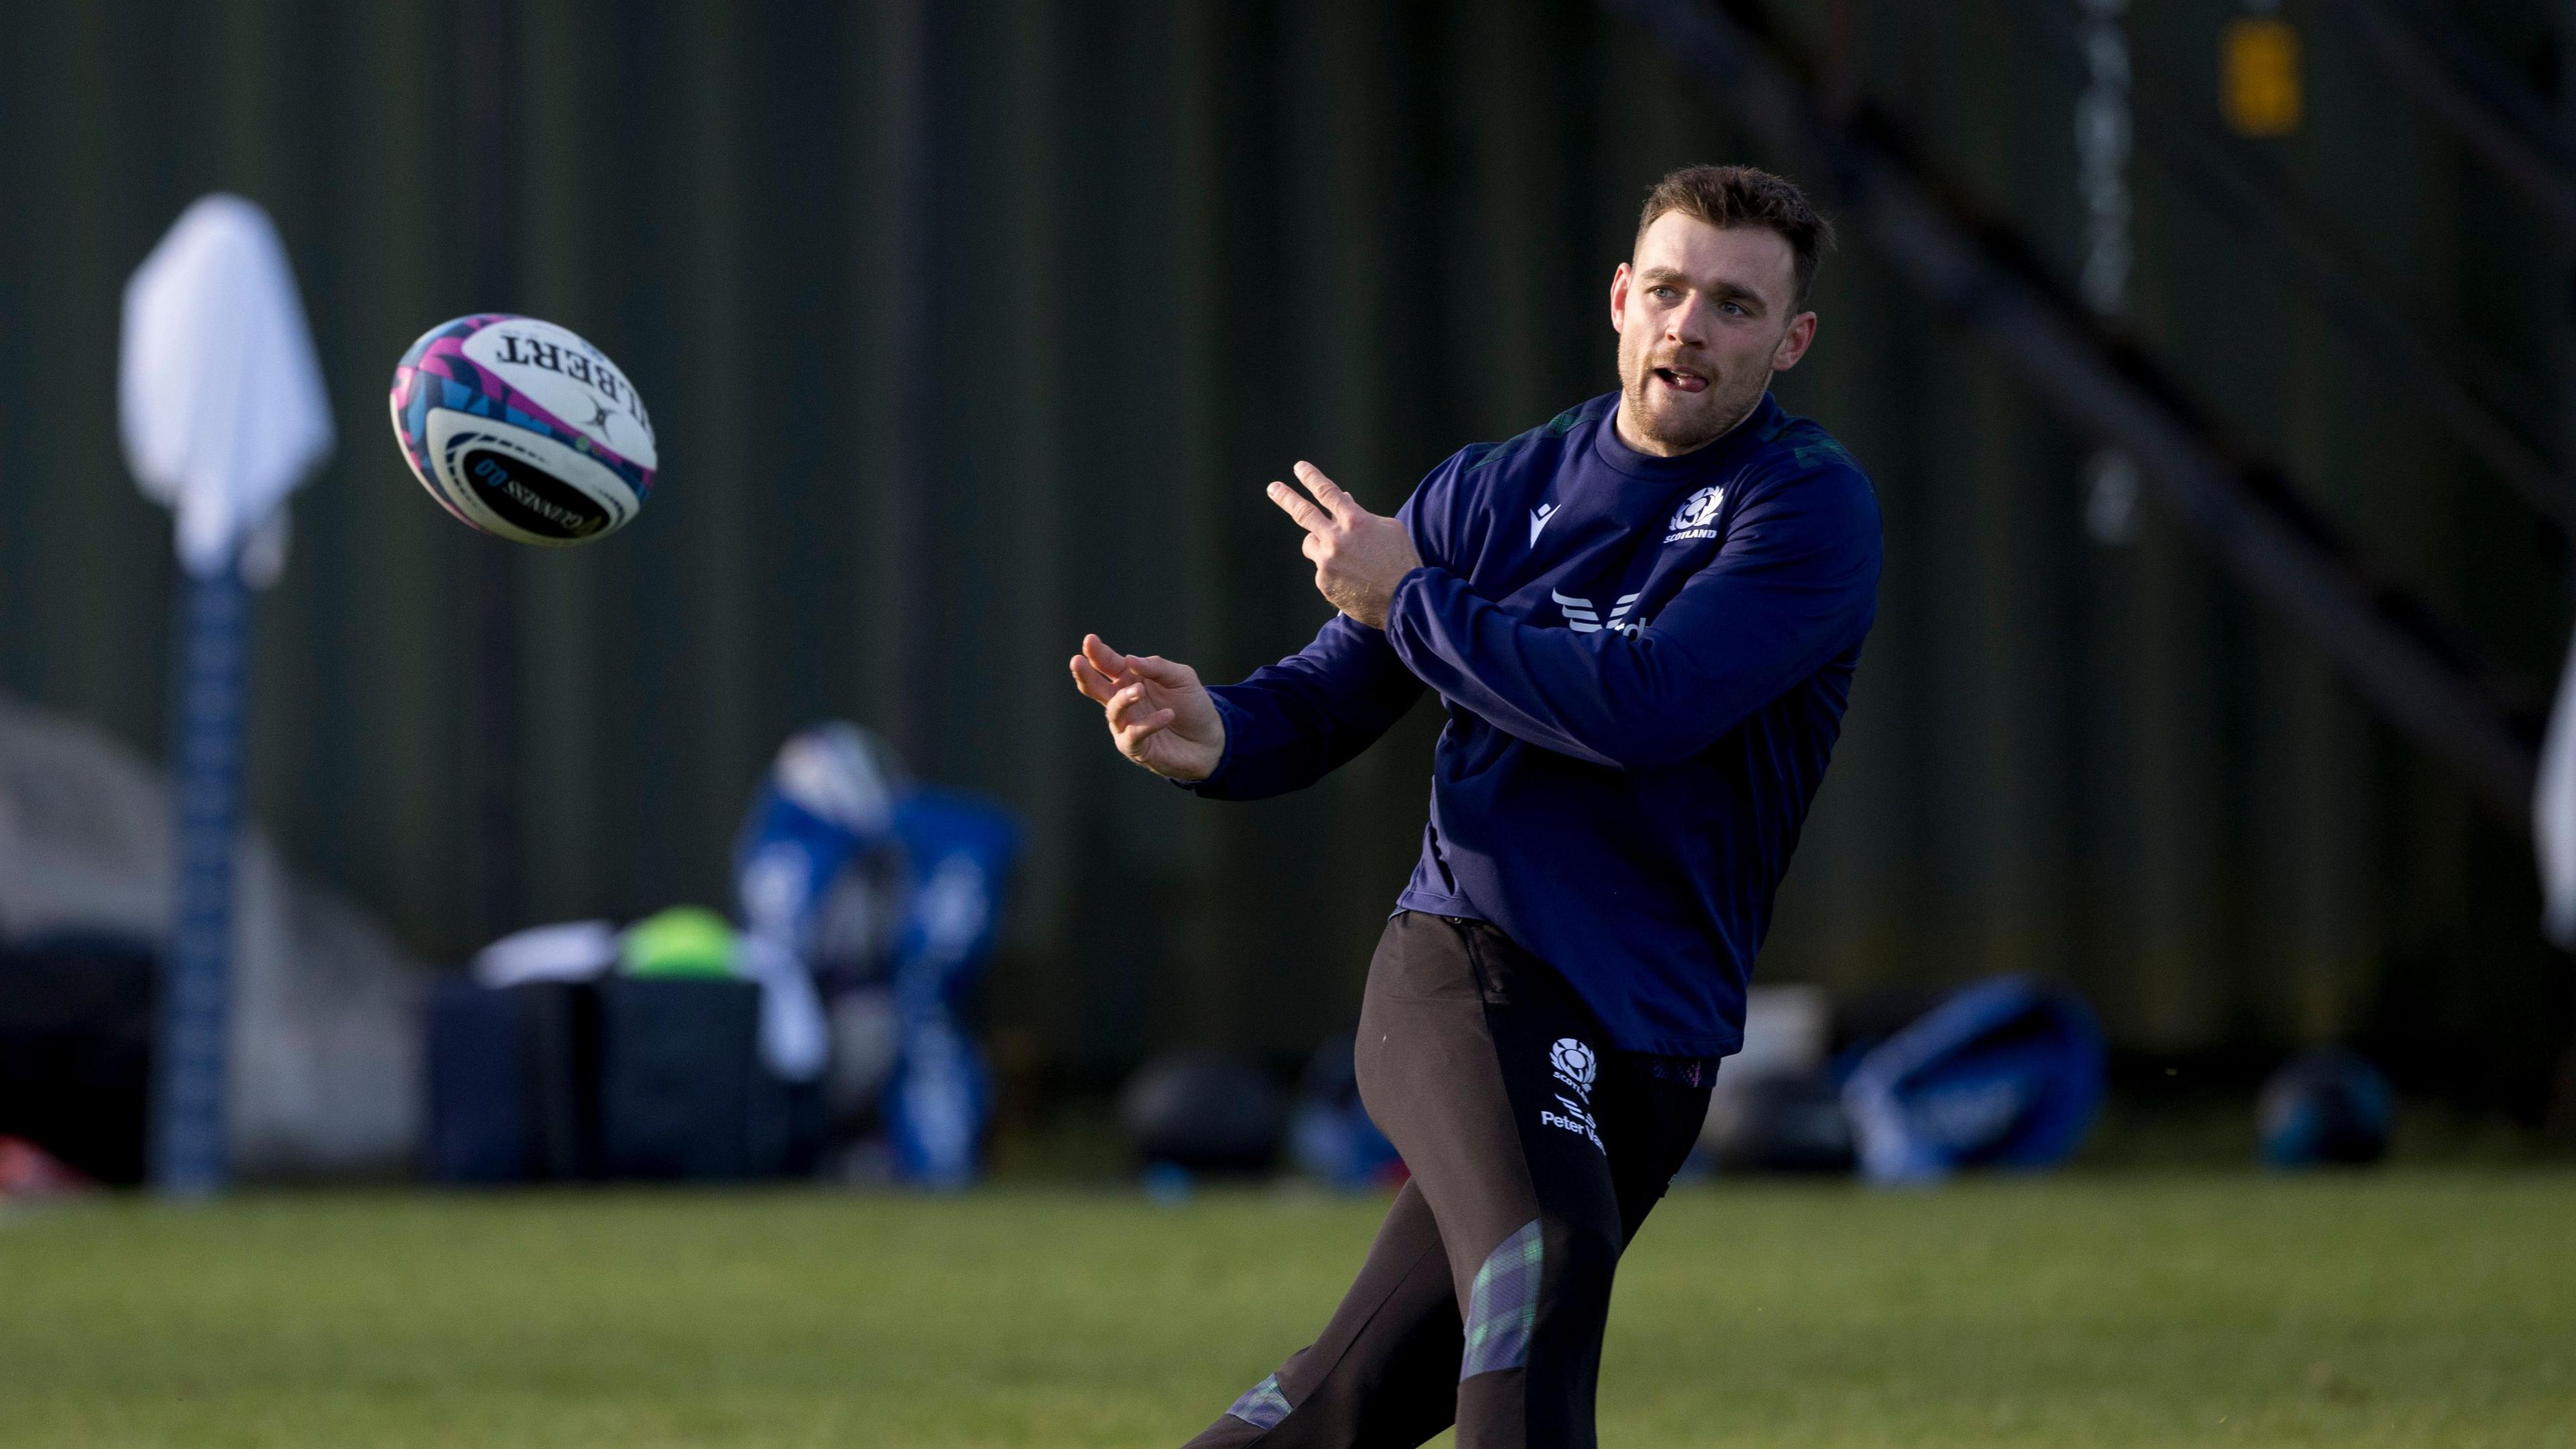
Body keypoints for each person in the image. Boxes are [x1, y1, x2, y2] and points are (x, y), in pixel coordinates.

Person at [1068, 164, 1882, 1449]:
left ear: (1792, 340)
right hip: (1473, 963)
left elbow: (1647, 703)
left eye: (1733, 306)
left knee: (1342, 1404)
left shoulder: (1808, 506)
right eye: (1666, 290)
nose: (1688, 326)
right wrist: (1211, 731)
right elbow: (1328, 701)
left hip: (1658, 1032)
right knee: (1546, 1257)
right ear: (1620, 300)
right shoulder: (1495, 491)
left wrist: (1413, 598)